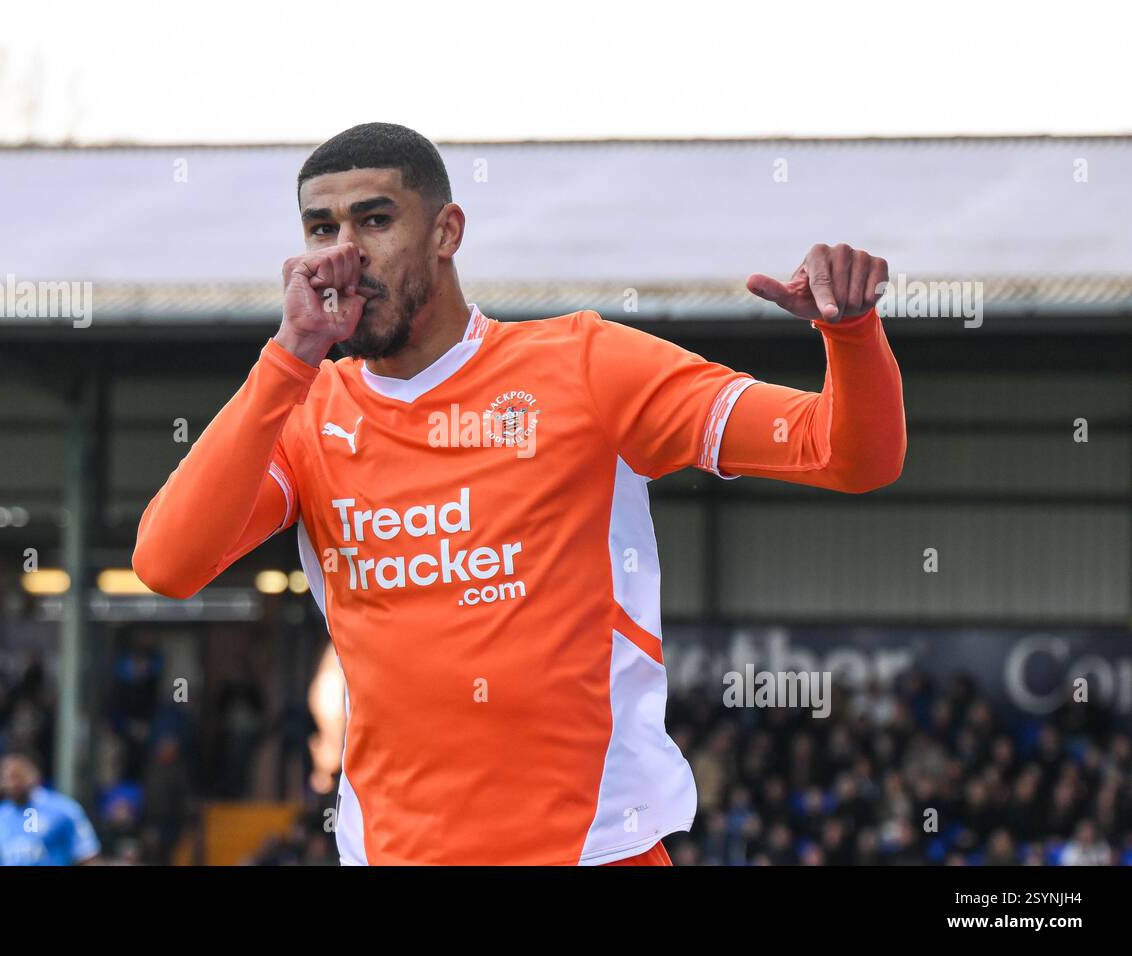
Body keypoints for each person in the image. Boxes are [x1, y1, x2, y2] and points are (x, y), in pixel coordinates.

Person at [132, 123, 906, 865]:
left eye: (373, 221)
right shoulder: (303, 411)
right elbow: (168, 564)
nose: (343, 256)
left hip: (598, 850)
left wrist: (852, 335)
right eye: (321, 229)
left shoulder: (585, 366)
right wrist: (288, 357)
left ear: (446, 232)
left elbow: (845, 455)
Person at [0, 749, 100, 865]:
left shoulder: (65, 810)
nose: (10, 783)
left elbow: (88, 857)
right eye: (5, 778)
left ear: (33, 773)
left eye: (16, 776)